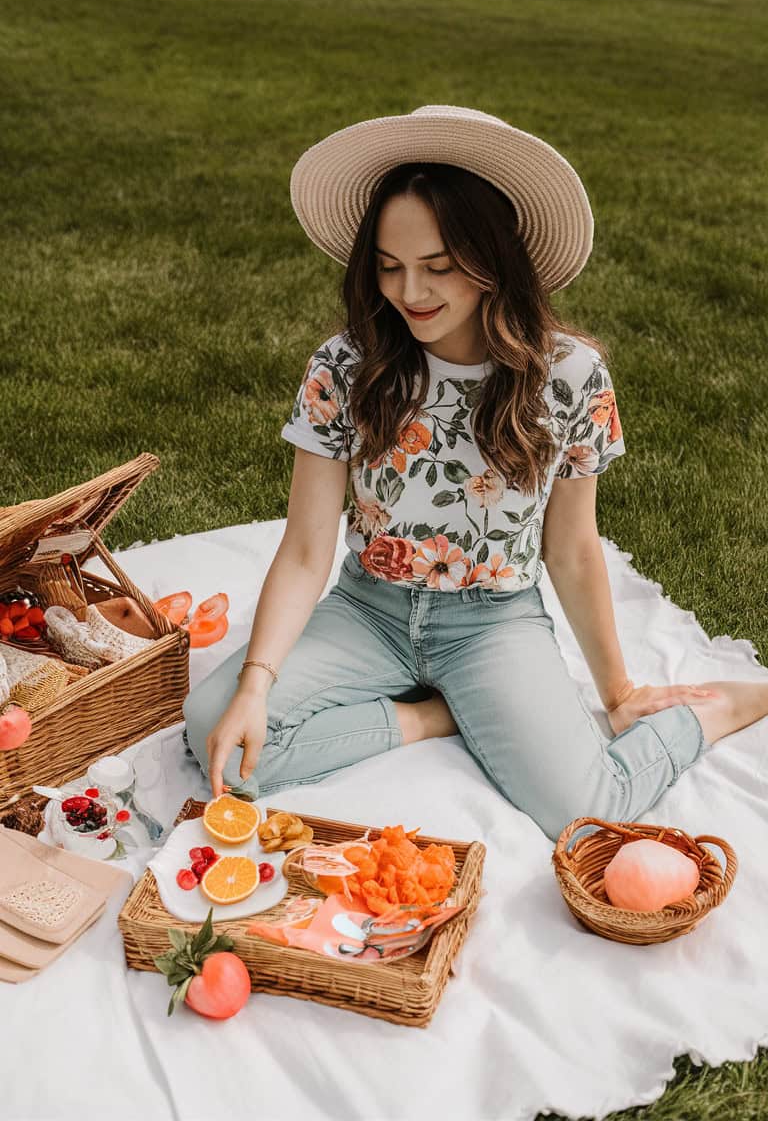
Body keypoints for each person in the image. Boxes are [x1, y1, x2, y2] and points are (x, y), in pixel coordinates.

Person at [182, 105, 768, 841]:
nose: (410, 291)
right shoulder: (346, 365)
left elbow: (573, 548)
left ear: (492, 259)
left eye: (438, 267)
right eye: (390, 267)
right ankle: (435, 713)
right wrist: (256, 683)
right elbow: (305, 549)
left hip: (492, 624)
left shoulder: (570, 376)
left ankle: (722, 711)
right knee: (217, 733)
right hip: (368, 611)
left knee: (586, 814)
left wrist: (618, 694)